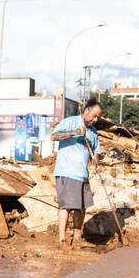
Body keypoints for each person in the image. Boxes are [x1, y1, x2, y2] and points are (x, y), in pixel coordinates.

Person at [49, 97, 102, 249]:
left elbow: (95, 152)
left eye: (98, 117)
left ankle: (77, 238)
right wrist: (74, 132)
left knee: (81, 207)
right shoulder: (70, 122)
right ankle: (62, 241)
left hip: (82, 174)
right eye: (94, 115)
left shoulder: (93, 131)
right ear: (86, 111)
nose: (95, 119)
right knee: (66, 206)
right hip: (67, 172)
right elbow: (54, 136)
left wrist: (96, 163)